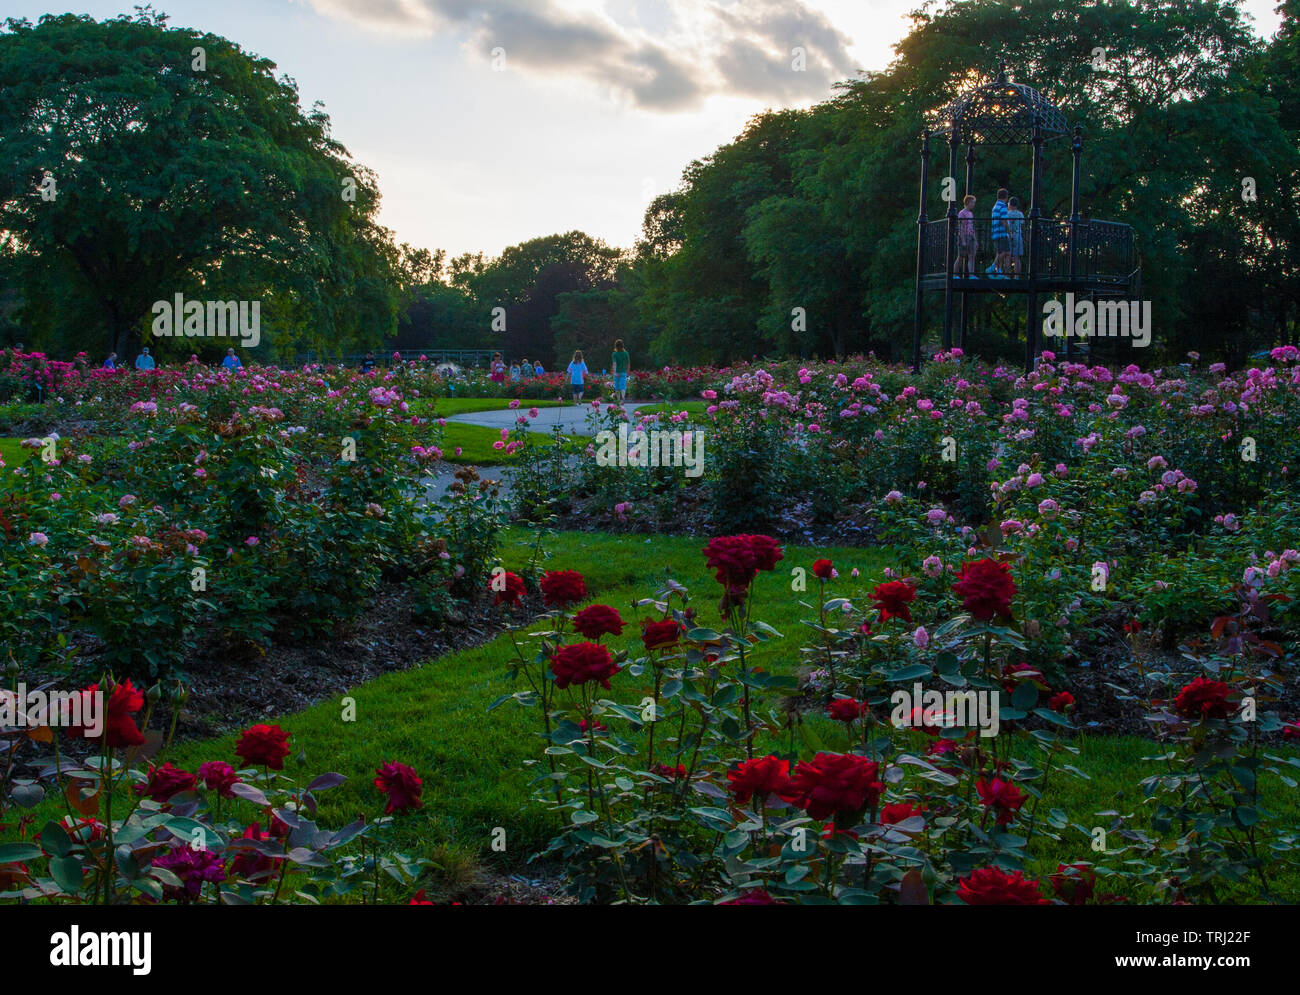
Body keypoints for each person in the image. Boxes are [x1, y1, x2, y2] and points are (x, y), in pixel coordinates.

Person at [988, 188, 1011, 278]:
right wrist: (1009, 233)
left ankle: (998, 272)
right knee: (1005, 252)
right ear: (1006, 197)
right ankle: (992, 267)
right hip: (1001, 233)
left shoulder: (995, 206)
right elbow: (1004, 221)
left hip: (995, 232)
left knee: (999, 252)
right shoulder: (1003, 206)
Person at [954, 195, 977, 279]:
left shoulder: (971, 213)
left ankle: (971, 274)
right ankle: (955, 274)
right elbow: (961, 227)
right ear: (968, 202)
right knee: (961, 256)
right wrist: (963, 240)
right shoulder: (962, 213)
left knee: (972, 256)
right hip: (964, 236)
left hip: (971, 236)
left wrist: (975, 239)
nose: (974, 204)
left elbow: (972, 227)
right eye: (973, 202)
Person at [1006, 196, 1025, 277]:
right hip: (1017, 235)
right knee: (1016, 257)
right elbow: (1022, 225)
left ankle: (1007, 275)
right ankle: (1017, 276)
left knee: (1007, 256)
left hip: (1008, 234)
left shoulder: (1007, 214)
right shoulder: (1020, 214)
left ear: (1010, 204)